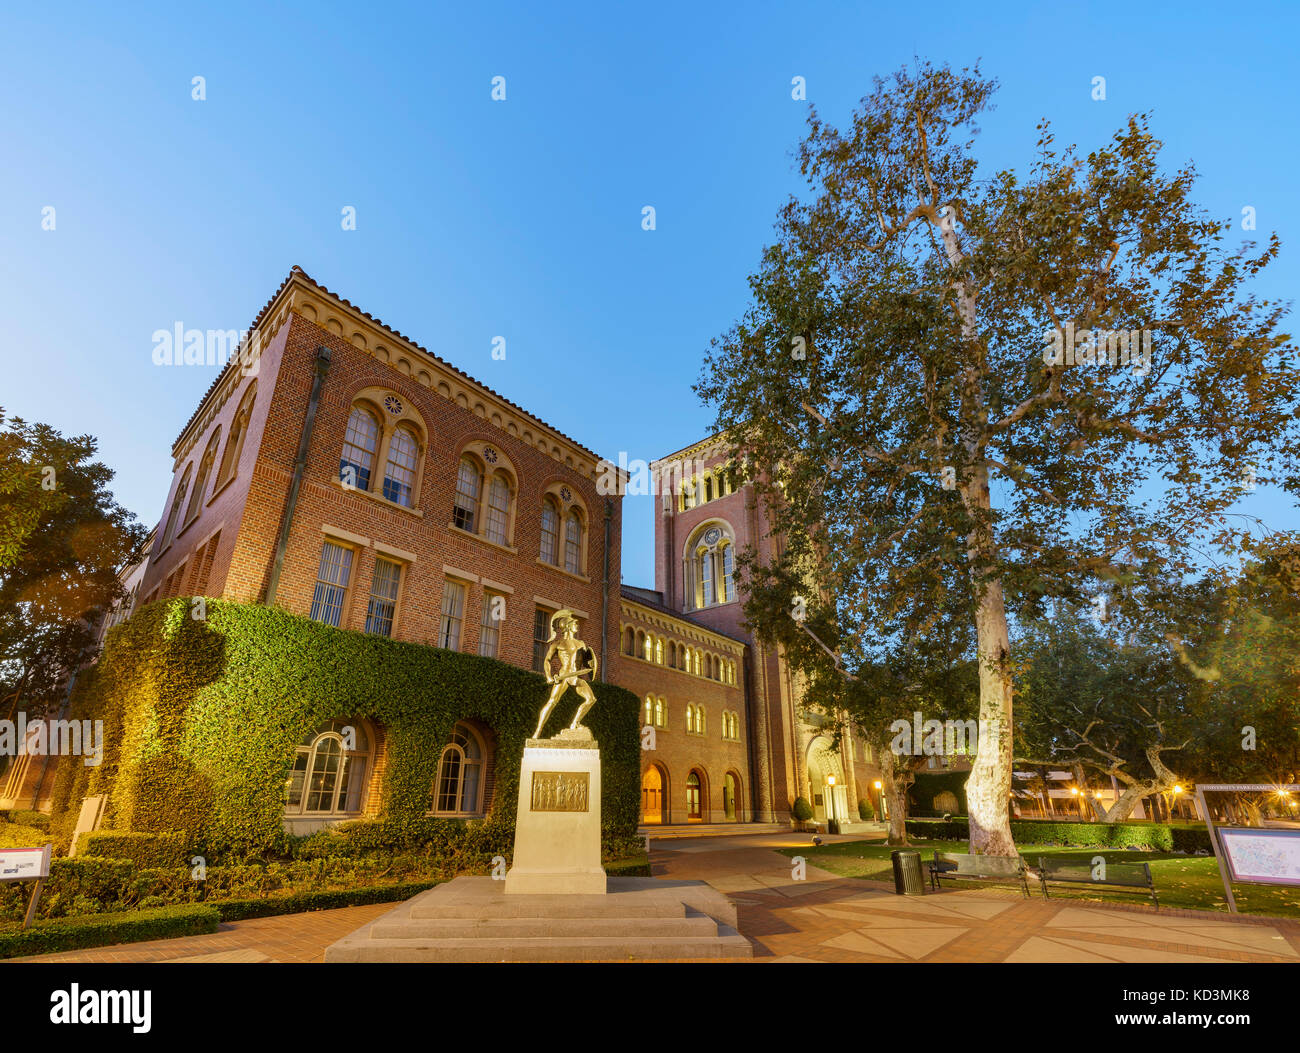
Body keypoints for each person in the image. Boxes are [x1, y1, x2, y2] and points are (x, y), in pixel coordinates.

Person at [531, 609, 599, 738]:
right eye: (574, 623)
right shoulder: (557, 644)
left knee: (591, 699)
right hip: (563, 676)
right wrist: (549, 676)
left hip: (575, 676)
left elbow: (587, 661)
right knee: (552, 702)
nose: (577, 626)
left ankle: (575, 723)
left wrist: (591, 666)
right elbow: (547, 660)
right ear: (568, 626)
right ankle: (537, 732)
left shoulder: (581, 643)